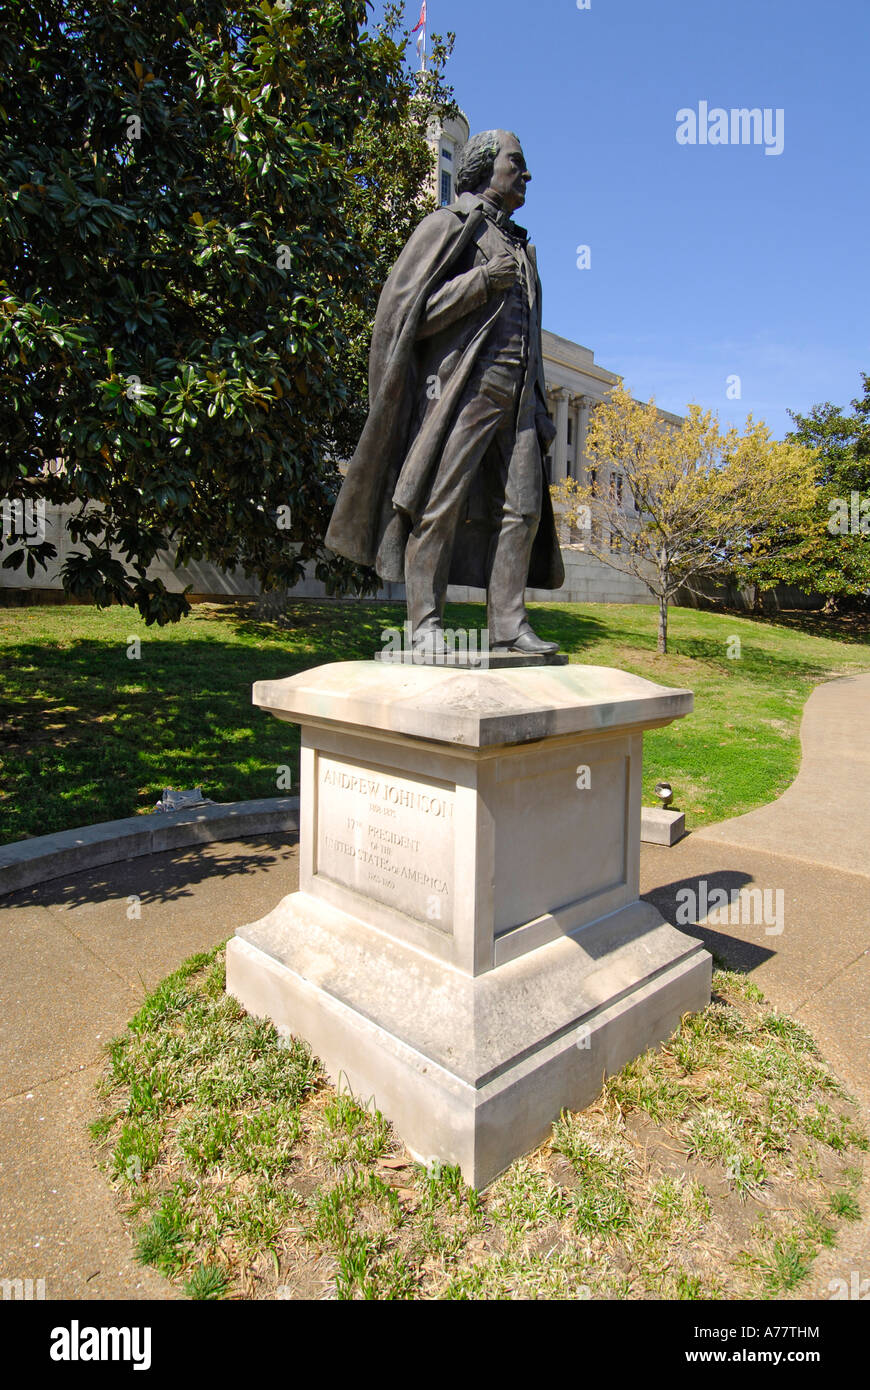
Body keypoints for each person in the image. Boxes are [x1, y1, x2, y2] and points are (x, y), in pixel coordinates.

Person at [325, 129, 563, 655]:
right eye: (516, 163)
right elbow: (410, 315)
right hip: (463, 388)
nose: (526, 175)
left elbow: (532, 339)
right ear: (484, 167)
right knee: (441, 501)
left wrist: (542, 405)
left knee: (523, 509)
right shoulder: (448, 226)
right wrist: (481, 282)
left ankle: (508, 624)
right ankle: (425, 625)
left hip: (520, 398)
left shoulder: (522, 247)